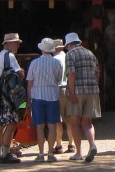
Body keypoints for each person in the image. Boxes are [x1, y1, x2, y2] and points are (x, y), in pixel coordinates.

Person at [64, 31, 100, 162]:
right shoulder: (90, 53)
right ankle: (92, 145)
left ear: (69, 45)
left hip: (77, 91)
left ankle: (78, 152)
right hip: (92, 90)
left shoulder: (70, 54)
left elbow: (71, 74)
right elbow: (97, 72)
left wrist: (72, 92)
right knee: (87, 123)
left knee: (74, 123)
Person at [26, 37, 64, 162]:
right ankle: (51, 153)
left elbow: (30, 82)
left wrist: (29, 99)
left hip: (37, 95)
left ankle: (41, 153)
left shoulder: (34, 63)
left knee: (40, 126)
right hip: (52, 95)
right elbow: (58, 79)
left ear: (42, 49)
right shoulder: (56, 63)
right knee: (52, 125)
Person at [0, 33, 25, 164]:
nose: (18, 45)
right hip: (9, 97)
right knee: (12, 124)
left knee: (0, 124)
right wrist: (22, 70)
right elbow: (20, 74)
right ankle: (5, 154)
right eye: (16, 43)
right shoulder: (10, 56)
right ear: (9, 43)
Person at [51, 39, 73, 155]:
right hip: (68, 89)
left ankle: (59, 145)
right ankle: (71, 144)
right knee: (69, 119)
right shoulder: (68, 57)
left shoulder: (54, 60)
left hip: (58, 89)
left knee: (58, 119)